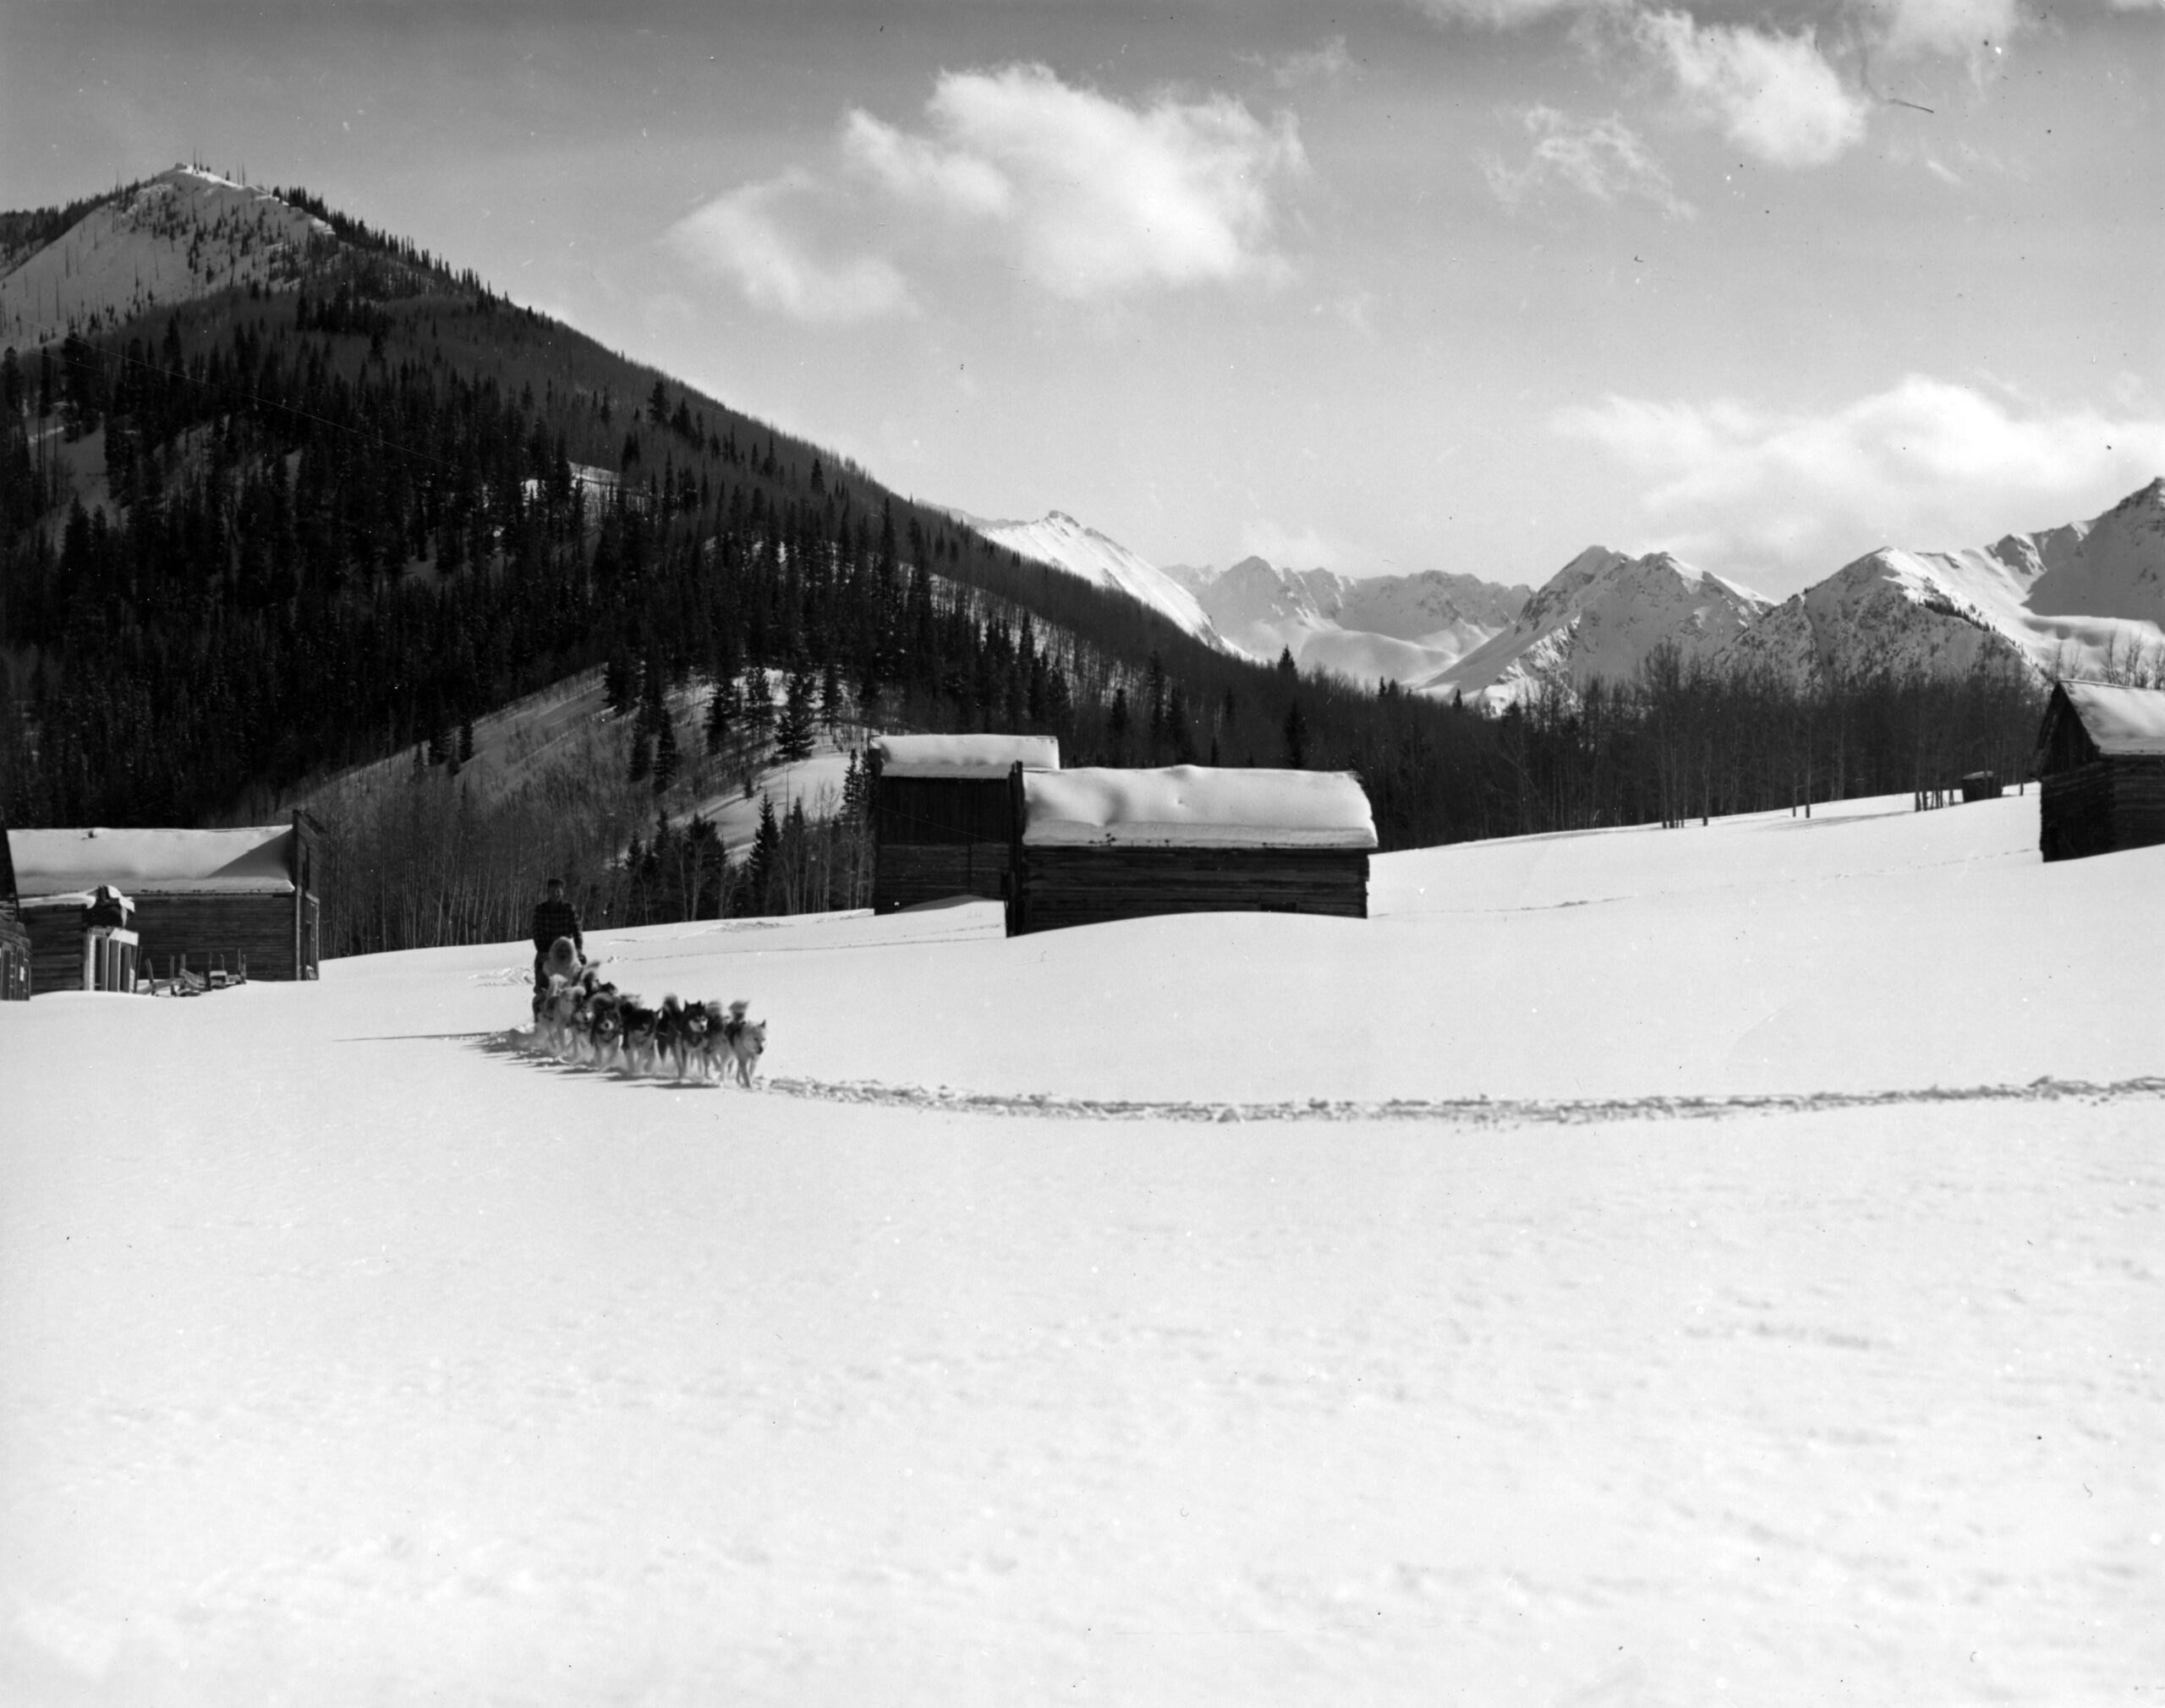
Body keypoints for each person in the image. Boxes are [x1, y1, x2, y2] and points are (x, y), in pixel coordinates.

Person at [531, 876, 584, 998]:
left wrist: (579, 948)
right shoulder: (540, 910)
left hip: (565, 949)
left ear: (562, 892)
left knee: (579, 970)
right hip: (547, 949)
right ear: (548, 892)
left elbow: (577, 929)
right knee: (541, 972)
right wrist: (542, 950)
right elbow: (537, 931)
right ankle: (542, 997)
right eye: (552, 890)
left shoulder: (569, 908)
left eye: (558, 891)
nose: (555, 893)